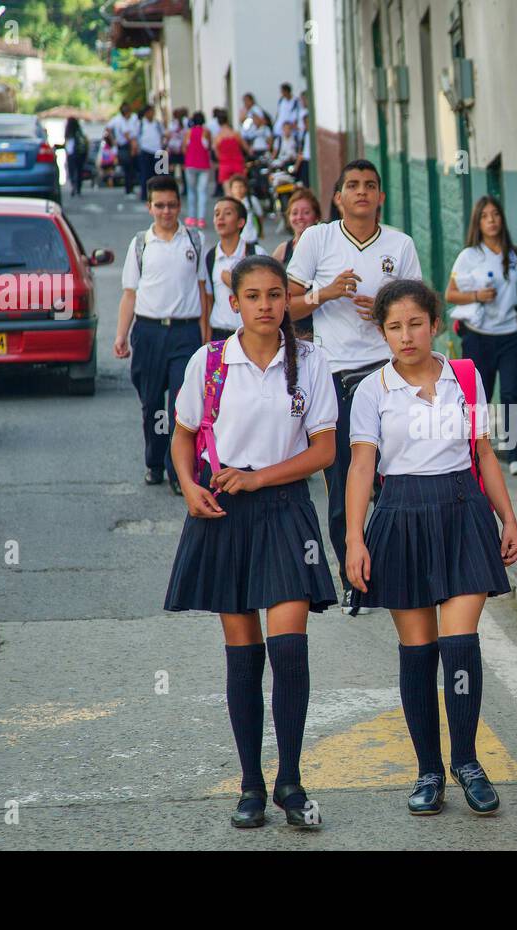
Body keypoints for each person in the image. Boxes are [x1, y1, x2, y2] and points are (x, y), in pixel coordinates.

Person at [164, 254, 338, 829]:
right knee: (243, 658)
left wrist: (260, 477)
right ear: (233, 303)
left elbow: (324, 450)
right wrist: (189, 487)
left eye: (275, 295)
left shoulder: (310, 361)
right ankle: (251, 784)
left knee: (289, 649)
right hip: (223, 512)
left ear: (287, 301)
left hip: (286, 509)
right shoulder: (210, 362)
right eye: (254, 296)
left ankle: (290, 778)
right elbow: (184, 435)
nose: (266, 305)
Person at [345, 278, 517, 816]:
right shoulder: (371, 390)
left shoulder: (464, 377)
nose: (406, 336)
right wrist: (355, 537)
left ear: (435, 325)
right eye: (394, 327)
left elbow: (484, 453)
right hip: (399, 516)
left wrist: (507, 518)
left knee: (461, 642)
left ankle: (467, 761)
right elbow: (361, 466)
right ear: (382, 331)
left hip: (463, 510)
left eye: (415, 324)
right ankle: (427, 770)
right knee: (418, 652)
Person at [286, 159, 422, 614]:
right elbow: (285, 306)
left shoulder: (400, 244)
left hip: (387, 373)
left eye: (370, 185)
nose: (361, 192)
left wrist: (383, 312)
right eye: (352, 186)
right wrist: (324, 294)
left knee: (393, 477)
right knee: (344, 481)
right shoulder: (317, 239)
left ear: (381, 196)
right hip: (333, 375)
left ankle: (395, 571)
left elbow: (416, 310)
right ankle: (354, 578)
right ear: (338, 197)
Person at [113, 175, 209, 493]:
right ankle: (154, 462)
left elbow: (202, 290)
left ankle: (178, 473)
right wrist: (121, 335)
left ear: (179, 206)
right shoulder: (141, 244)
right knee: (152, 404)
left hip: (185, 334)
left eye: (171, 205)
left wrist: (205, 335)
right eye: (159, 206)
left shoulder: (193, 240)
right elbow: (130, 293)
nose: (166, 211)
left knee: (182, 407)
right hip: (148, 331)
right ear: (149, 207)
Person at [445, 196, 517, 475]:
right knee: (478, 396)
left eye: (495, 214)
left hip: (511, 335)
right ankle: (475, 452)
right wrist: (477, 295)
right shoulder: (469, 256)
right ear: (478, 222)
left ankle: (516, 455)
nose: (491, 220)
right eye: (485, 216)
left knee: (513, 394)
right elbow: (450, 294)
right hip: (478, 336)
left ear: (502, 219)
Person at [204, 196, 257, 341]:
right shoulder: (210, 256)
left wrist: (233, 281)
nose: (220, 218)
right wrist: (207, 338)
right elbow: (208, 300)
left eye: (227, 213)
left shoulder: (255, 253)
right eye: (216, 214)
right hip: (219, 333)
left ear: (241, 222)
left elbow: (262, 293)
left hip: (249, 334)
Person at [272, 187, 322, 336]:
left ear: (316, 217)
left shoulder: (325, 250)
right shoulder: (282, 250)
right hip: (290, 328)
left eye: (306, 212)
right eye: (294, 213)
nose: (299, 217)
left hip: (318, 327)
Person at [182, 113, 212, 228]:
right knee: (202, 191)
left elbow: (184, 148)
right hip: (203, 164)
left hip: (190, 164)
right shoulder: (206, 132)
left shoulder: (188, 132)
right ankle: (201, 218)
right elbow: (209, 147)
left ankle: (192, 217)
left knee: (191, 191)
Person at [106, 103, 139, 196]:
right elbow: (126, 135)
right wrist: (113, 140)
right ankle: (129, 189)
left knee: (131, 168)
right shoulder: (119, 120)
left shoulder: (132, 118)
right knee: (128, 168)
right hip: (124, 146)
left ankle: (130, 188)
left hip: (129, 145)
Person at [225, 174, 264, 246]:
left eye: (241, 187)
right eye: (236, 187)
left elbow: (260, 215)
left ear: (246, 188)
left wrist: (260, 230)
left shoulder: (252, 200)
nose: (238, 190)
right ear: (231, 190)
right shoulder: (229, 203)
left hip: (251, 237)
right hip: (236, 240)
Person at [136, 104, 165, 202]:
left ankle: (159, 195)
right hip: (145, 151)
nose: (151, 114)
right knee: (145, 174)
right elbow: (136, 137)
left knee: (159, 175)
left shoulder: (157, 124)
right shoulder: (141, 124)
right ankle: (145, 195)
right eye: (150, 112)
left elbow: (163, 136)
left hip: (158, 151)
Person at [214, 121, 248, 193]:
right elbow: (245, 147)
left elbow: (216, 152)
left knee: (227, 191)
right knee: (239, 189)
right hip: (237, 163)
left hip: (225, 164)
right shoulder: (235, 134)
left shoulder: (218, 136)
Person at [64, 117, 88, 198]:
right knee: (79, 171)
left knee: (72, 171)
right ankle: (78, 188)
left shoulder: (68, 132)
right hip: (80, 154)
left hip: (71, 154)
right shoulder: (79, 131)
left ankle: (73, 186)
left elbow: (67, 145)